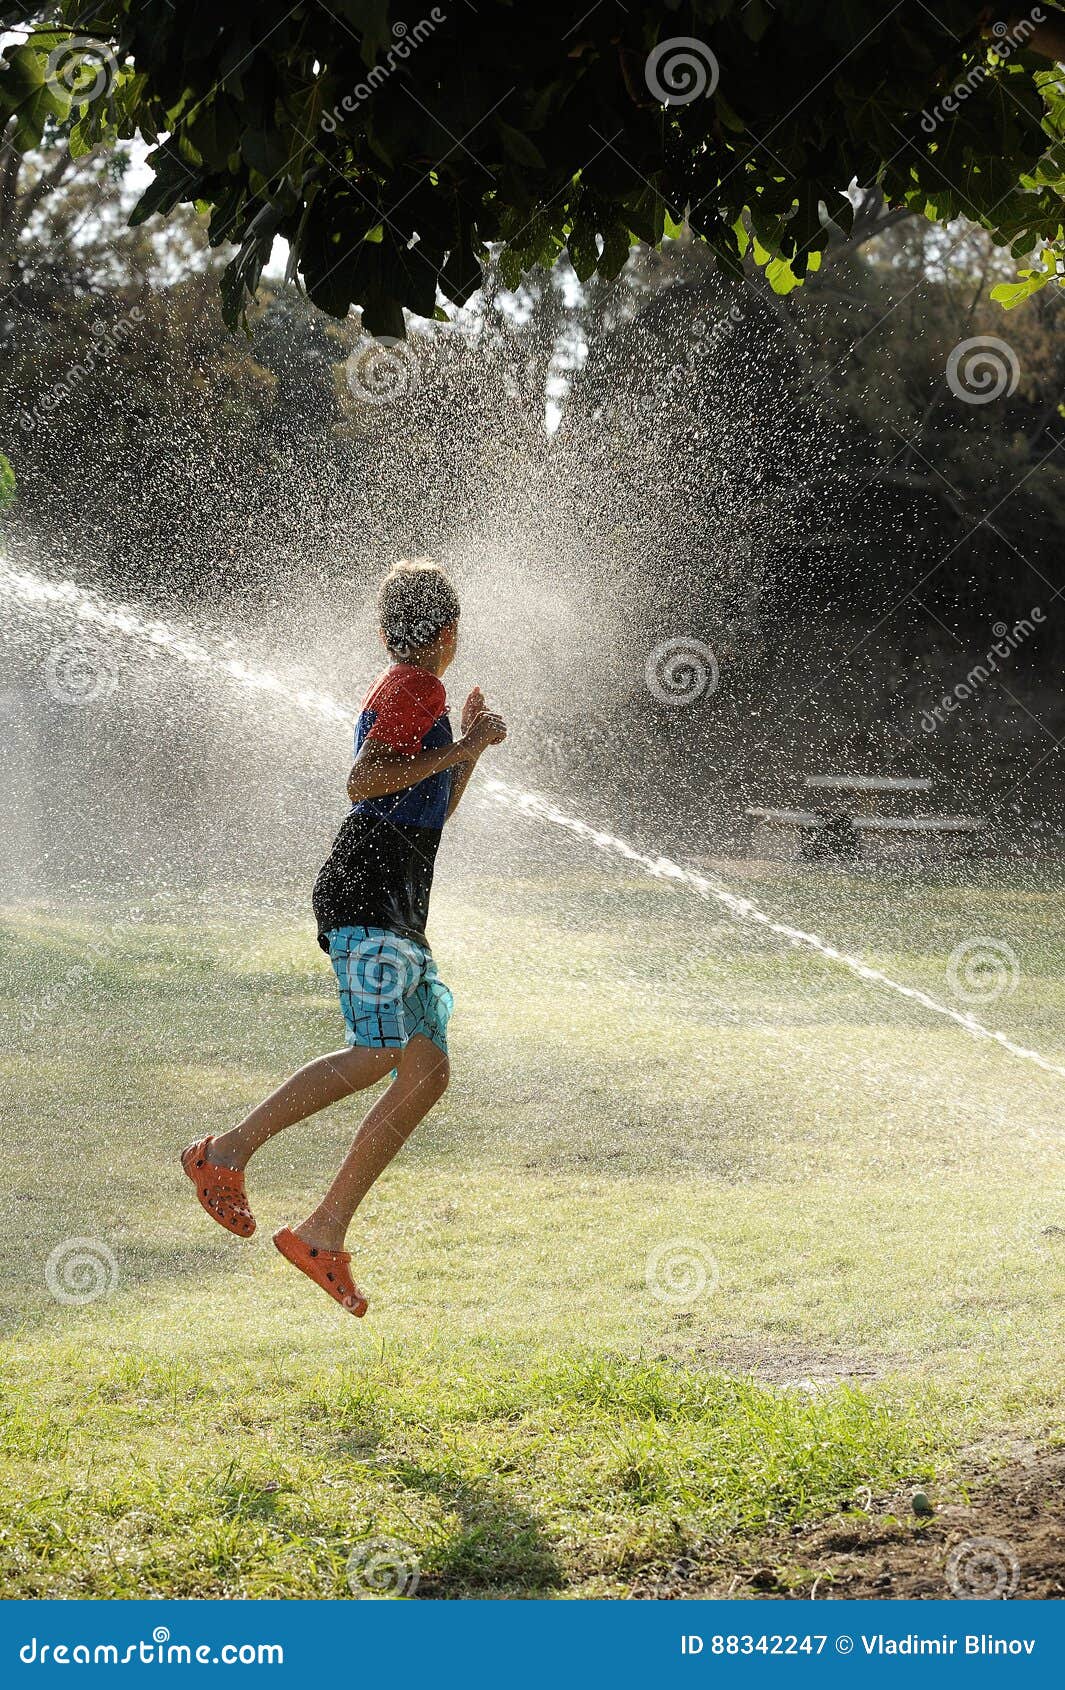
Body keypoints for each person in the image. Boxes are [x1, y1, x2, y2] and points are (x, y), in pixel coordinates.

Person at [180, 559, 506, 1315]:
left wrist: (472, 749)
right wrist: (459, 747)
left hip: (394, 901)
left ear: (389, 629)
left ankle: (324, 1232)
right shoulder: (416, 687)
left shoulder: (418, 696)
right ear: (448, 635)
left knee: (424, 1072)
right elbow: (362, 782)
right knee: (379, 1052)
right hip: (366, 890)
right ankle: (223, 1153)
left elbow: (428, 808)